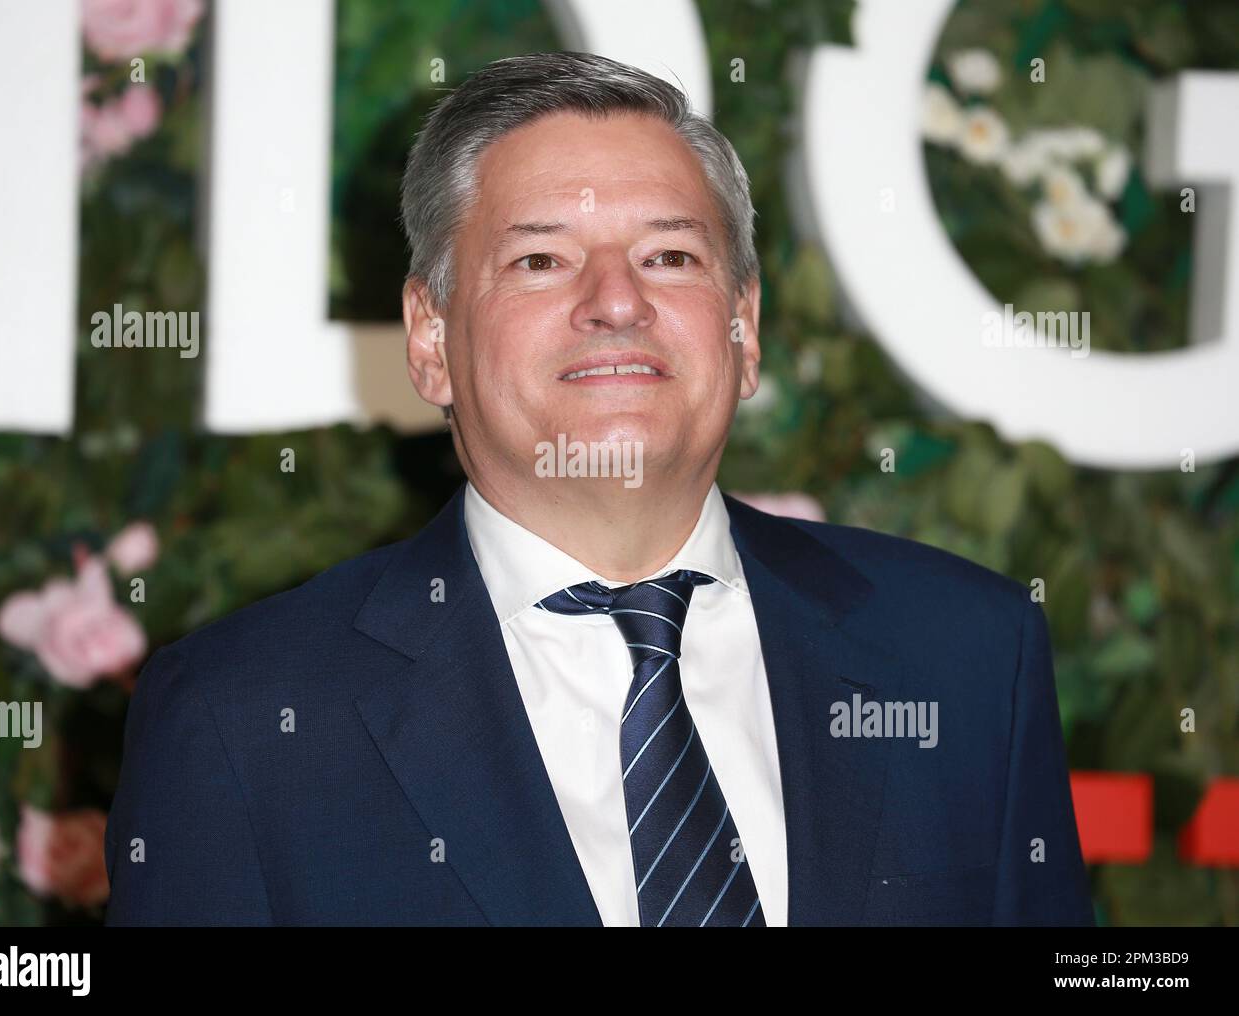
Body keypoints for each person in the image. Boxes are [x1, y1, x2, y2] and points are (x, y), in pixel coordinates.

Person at [104, 51, 1094, 927]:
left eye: (669, 255)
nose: (617, 301)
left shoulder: (965, 655)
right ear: (428, 338)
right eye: (540, 259)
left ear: (742, 327)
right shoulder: (246, 719)